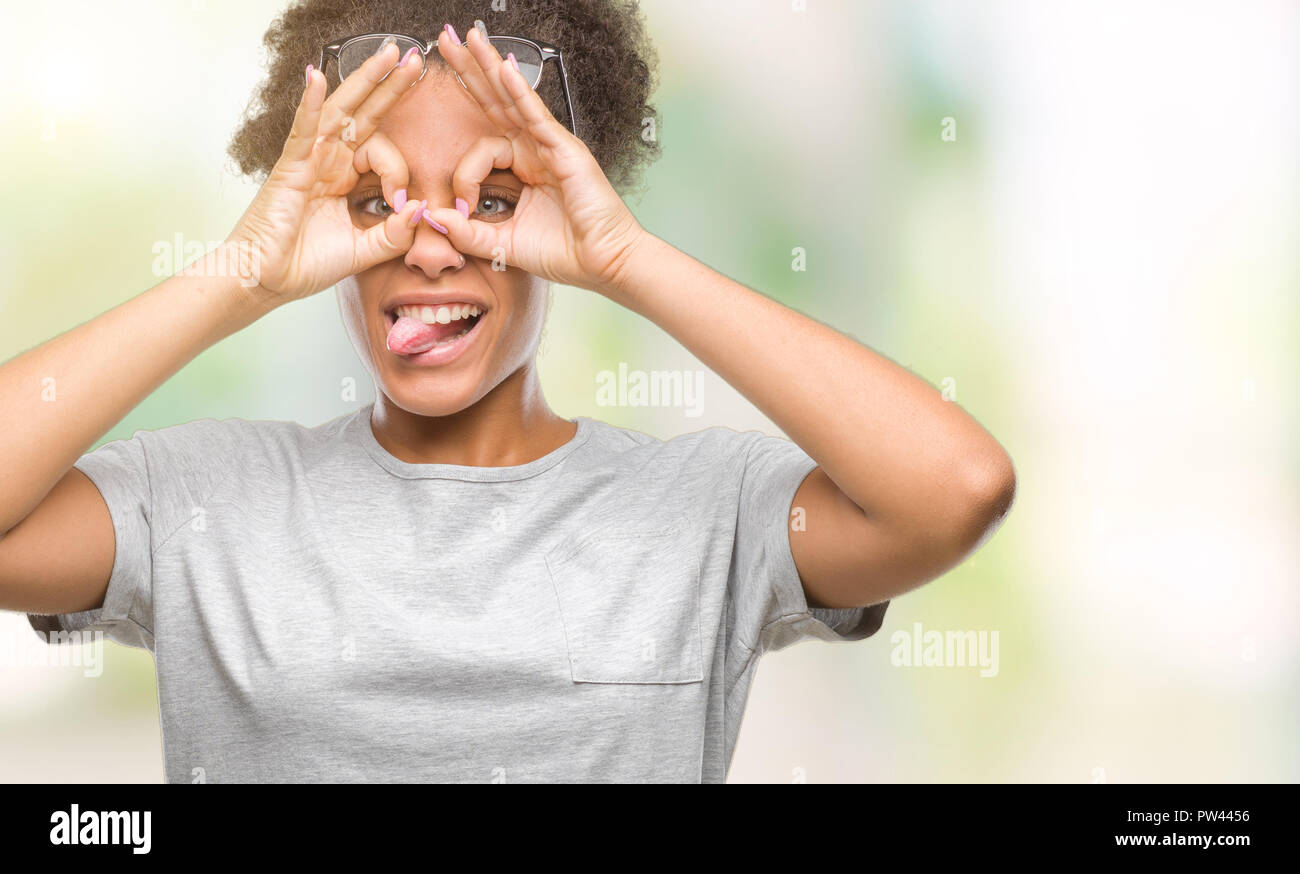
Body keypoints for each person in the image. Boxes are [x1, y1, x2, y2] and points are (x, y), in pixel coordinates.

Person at [0, 1, 1015, 782]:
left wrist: (625, 256)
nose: (434, 248)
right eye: (376, 201)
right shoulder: (204, 497)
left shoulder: (709, 511)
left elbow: (957, 485)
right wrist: (238, 277)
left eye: (491, 199)